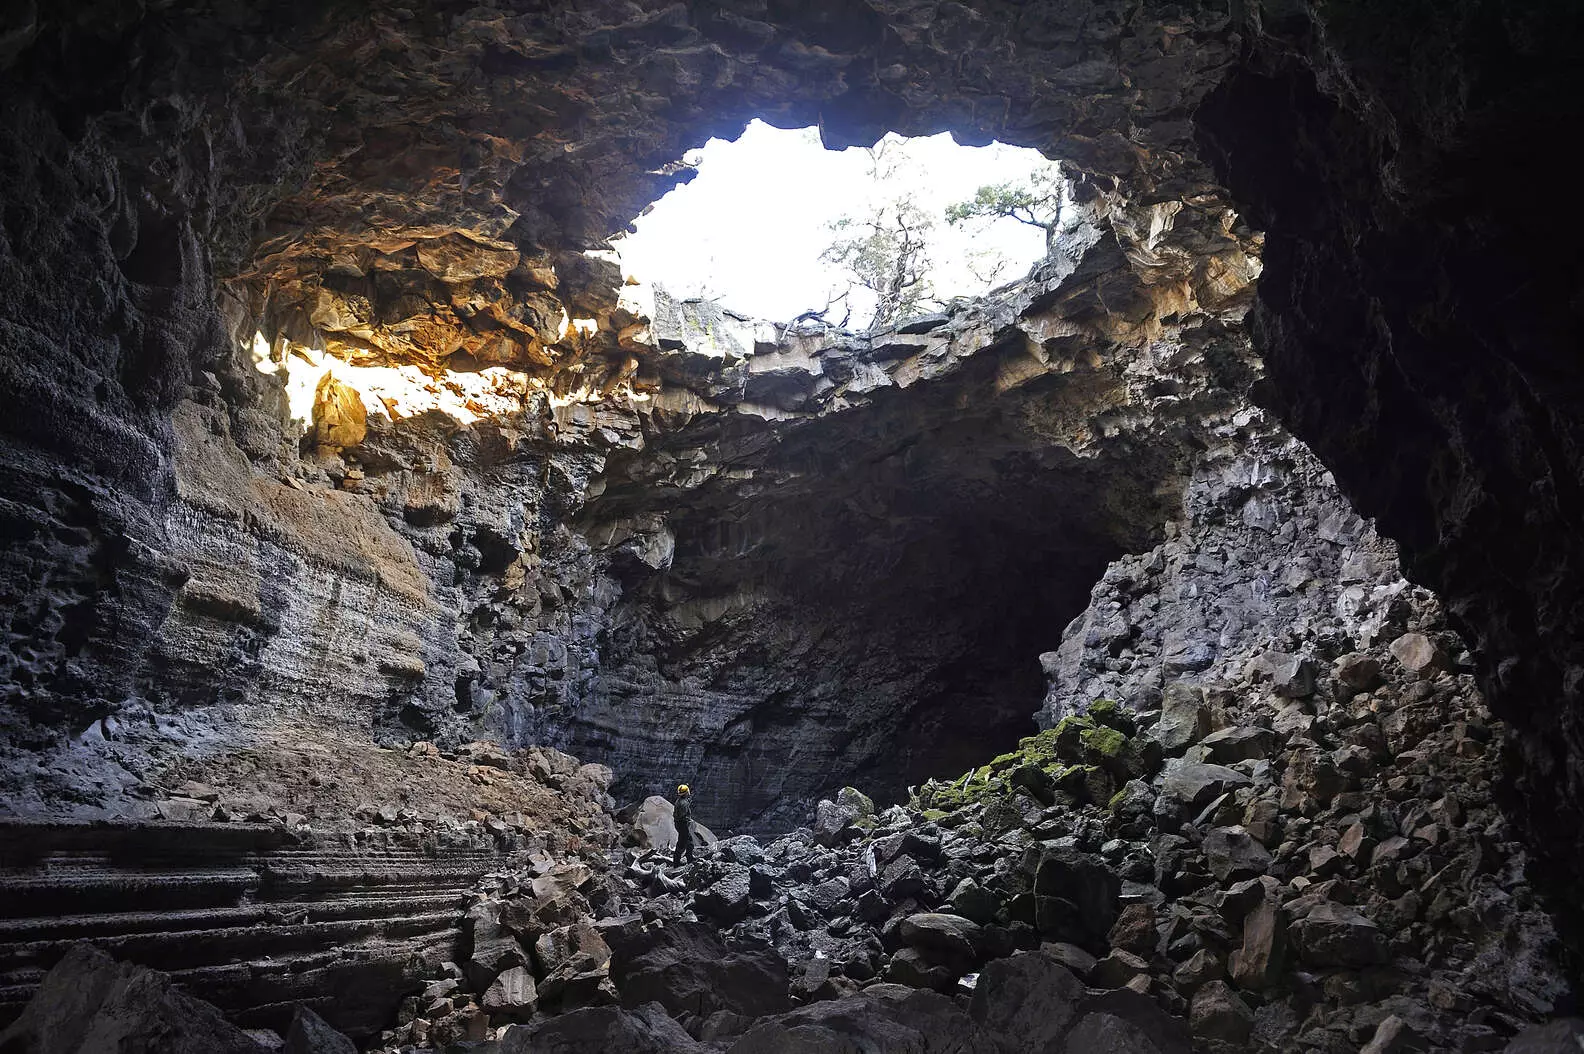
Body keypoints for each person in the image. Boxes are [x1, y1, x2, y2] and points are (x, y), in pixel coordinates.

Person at [672, 783, 696, 864]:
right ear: (686, 793)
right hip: (682, 824)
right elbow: (682, 814)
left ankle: (679, 860)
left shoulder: (679, 801)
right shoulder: (684, 803)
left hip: (678, 824)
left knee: (684, 842)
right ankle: (685, 861)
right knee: (686, 843)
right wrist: (687, 820)